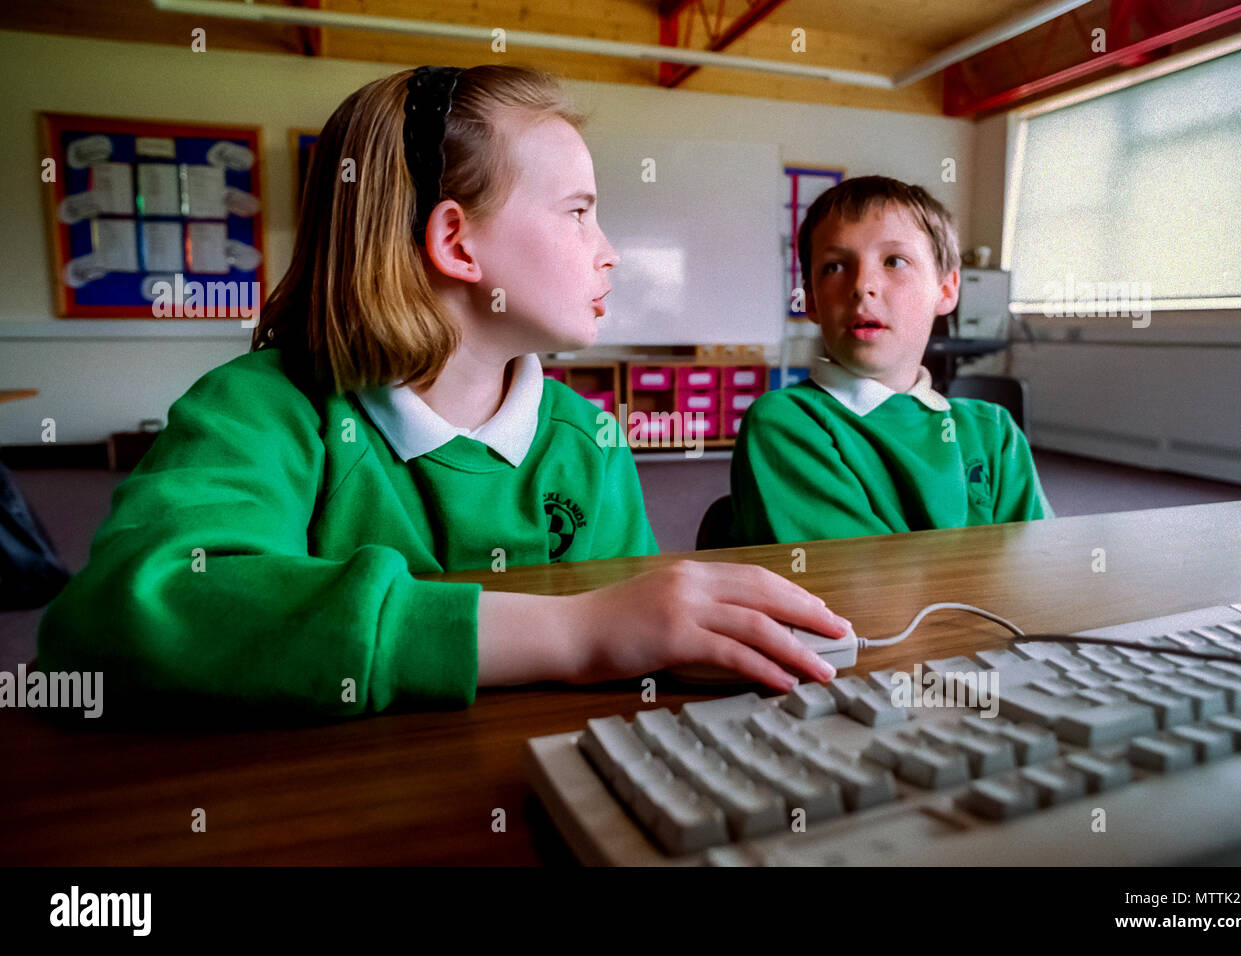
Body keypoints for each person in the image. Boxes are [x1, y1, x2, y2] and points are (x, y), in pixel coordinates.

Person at [36, 65, 851, 721]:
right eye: (578, 212)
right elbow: (112, 621)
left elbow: (626, 670)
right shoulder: (261, 408)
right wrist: (572, 632)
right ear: (456, 241)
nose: (609, 253)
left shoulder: (586, 440)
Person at [731, 175, 1052, 546]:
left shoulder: (994, 432)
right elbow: (858, 593)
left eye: (894, 261)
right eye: (834, 266)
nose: (862, 285)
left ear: (946, 289)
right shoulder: (787, 422)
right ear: (812, 301)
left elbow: (1037, 569)